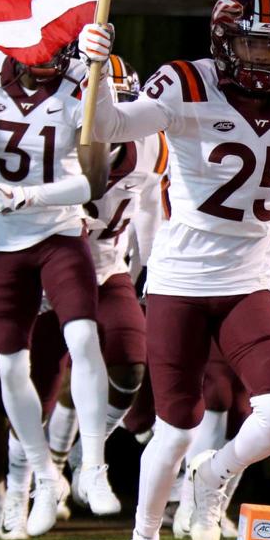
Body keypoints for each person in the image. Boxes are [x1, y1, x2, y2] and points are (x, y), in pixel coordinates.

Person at [83, 0, 270, 540]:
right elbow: (109, 124)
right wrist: (96, 71)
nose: (263, 57)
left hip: (248, 276)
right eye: (251, 43)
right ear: (224, 41)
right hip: (180, 280)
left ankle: (216, 473)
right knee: (175, 429)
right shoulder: (185, 83)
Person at [0, 34, 117, 538]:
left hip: (59, 233)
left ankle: (93, 466)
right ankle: (43, 475)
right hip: (6, 244)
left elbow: (93, 181)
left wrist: (25, 197)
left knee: (83, 338)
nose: (44, 58)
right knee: (8, 366)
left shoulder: (86, 80)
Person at [45, 56, 167, 509]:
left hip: (107, 266)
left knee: (130, 366)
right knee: (50, 380)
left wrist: (149, 269)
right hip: (51, 267)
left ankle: (83, 457)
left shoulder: (151, 145)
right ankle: (45, 473)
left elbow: (150, 207)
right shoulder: (51, 139)